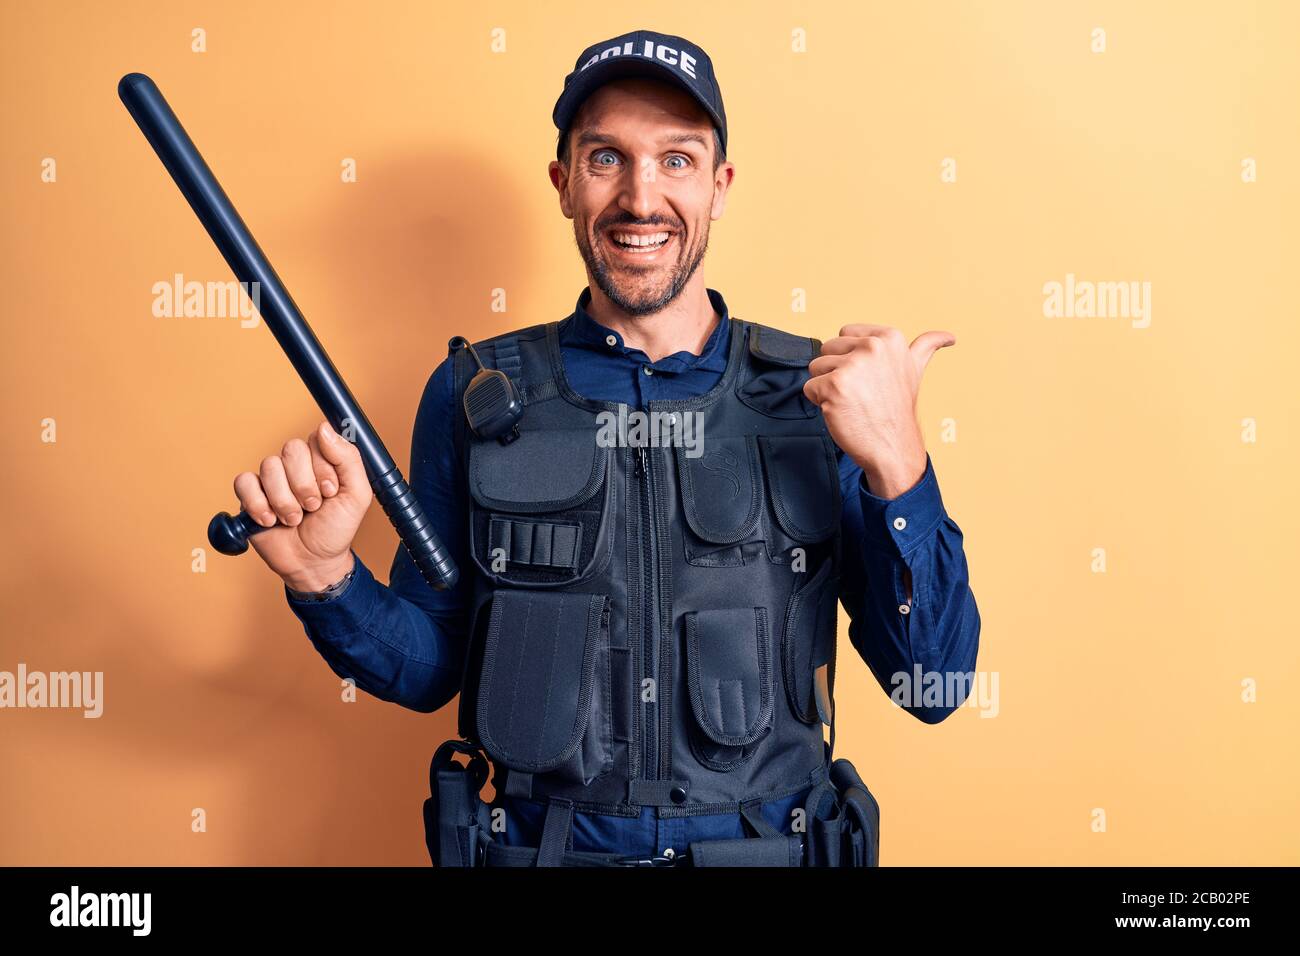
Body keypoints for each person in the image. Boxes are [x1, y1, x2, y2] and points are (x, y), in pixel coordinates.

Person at [232, 29, 980, 866]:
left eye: (676, 160)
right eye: (605, 159)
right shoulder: (476, 394)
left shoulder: (818, 398)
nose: (640, 197)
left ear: (720, 186)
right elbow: (431, 668)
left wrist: (899, 465)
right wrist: (325, 579)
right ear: (563, 184)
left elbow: (940, 684)